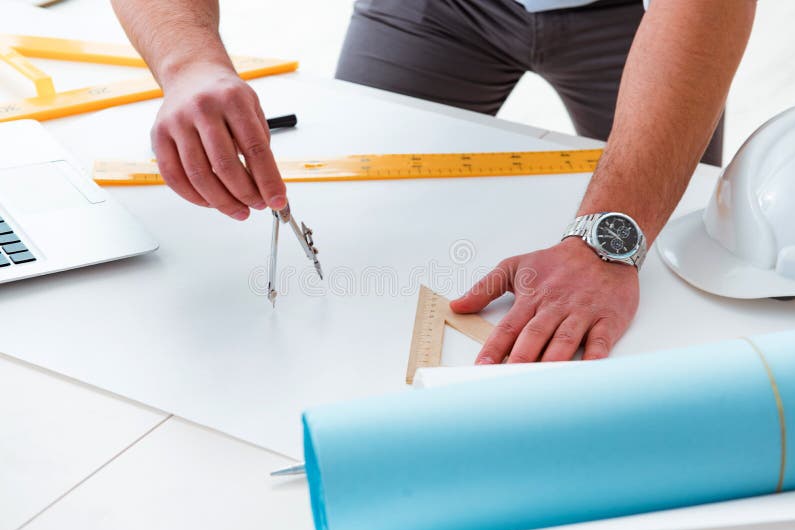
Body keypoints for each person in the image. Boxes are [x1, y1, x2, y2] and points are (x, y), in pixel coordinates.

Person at [111, 0, 756, 364]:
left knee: (685, 266)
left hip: (642, 15)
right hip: (437, 10)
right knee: (365, 223)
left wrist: (606, 242)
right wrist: (188, 62)